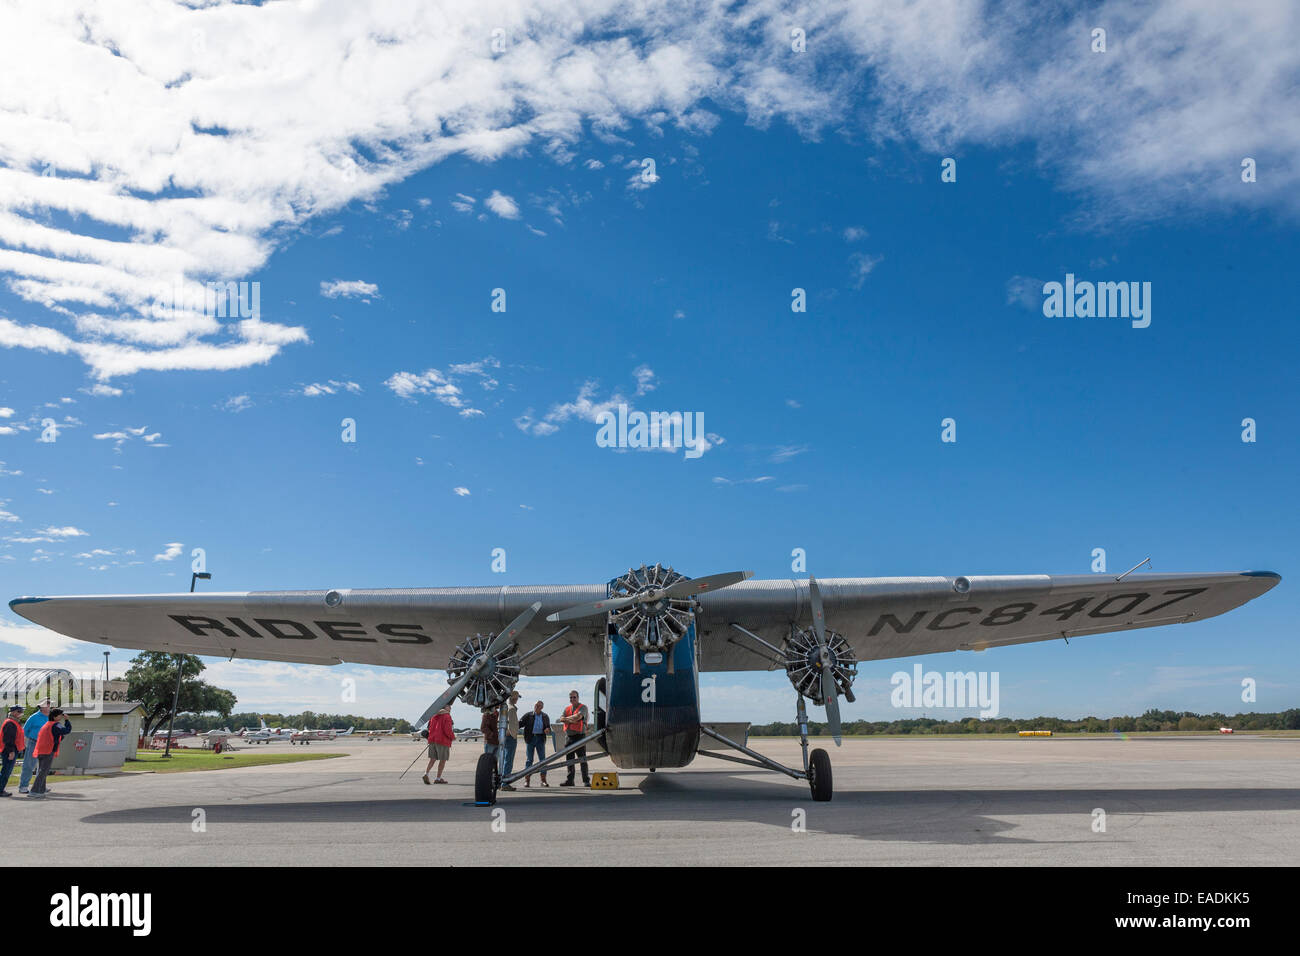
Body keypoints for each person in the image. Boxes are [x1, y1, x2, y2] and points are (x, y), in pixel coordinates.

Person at [29, 708, 70, 799]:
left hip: (41, 750)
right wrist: (67, 720)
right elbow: (67, 730)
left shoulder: (47, 724)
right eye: (60, 715)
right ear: (55, 717)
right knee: (43, 772)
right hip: (48, 751)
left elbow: (58, 736)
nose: (61, 716)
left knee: (42, 771)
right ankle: (34, 791)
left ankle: (41, 789)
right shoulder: (56, 725)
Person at [18, 698, 51, 794]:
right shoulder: (34, 717)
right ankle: (23, 786)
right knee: (29, 765)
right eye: (47, 704)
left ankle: (40, 786)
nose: (49, 706)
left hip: (46, 744)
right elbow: (25, 731)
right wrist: (25, 742)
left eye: (49, 704)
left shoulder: (50, 717)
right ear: (41, 706)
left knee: (43, 767)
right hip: (34, 743)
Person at [560, 689, 591, 787]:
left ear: (578, 698)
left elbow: (578, 717)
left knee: (582, 759)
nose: (572, 699)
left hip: (579, 737)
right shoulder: (567, 709)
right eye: (571, 697)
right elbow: (561, 718)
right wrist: (571, 720)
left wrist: (568, 719)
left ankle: (586, 780)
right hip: (569, 737)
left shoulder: (583, 707)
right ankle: (570, 780)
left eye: (574, 697)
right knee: (569, 760)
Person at [521, 700, 550, 788]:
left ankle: (543, 780)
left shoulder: (545, 716)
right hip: (530, 739)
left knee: (543, 760)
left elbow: (548, 727)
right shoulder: (528, 715)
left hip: (540, 739)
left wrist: (547, 730)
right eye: (536, 705)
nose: (537, 707)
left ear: (542, 707)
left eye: (539, 706)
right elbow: (519, 724)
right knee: (529, 760)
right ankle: (527, 780)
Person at [422, 705, 453, 785]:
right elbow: (447, 730)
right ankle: (438, 778)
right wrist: (452, 737)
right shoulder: (447, 716)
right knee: (443, 760)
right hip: (443, 741)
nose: (450, 708)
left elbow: (429, 728)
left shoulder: (433, 715)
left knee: (432, 759)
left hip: (432, 740)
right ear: (445, 707)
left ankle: (426, 773)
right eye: (449, 706)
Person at [1, 704, 26, 797]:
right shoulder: (10, 723)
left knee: (6, 770)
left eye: (21, 711)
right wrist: (11, 751)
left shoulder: (13, 722)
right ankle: (0, 790)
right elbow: (8, 739)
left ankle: (1, 789)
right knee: (6, 771)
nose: (21, 713)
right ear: (13, 712)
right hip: (9, 750)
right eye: (19, 711)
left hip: (11, 749)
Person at [500, 691, 520, 791]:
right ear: (514, 698)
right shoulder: (511, 709)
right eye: (517, 697)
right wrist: (513, 735)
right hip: (510, 737)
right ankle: (505, 783)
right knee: (508, 760)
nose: (517, 699)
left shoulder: (507, 707)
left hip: (507, 737)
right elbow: (511, 725)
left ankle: (502, 781)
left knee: (504, 760)